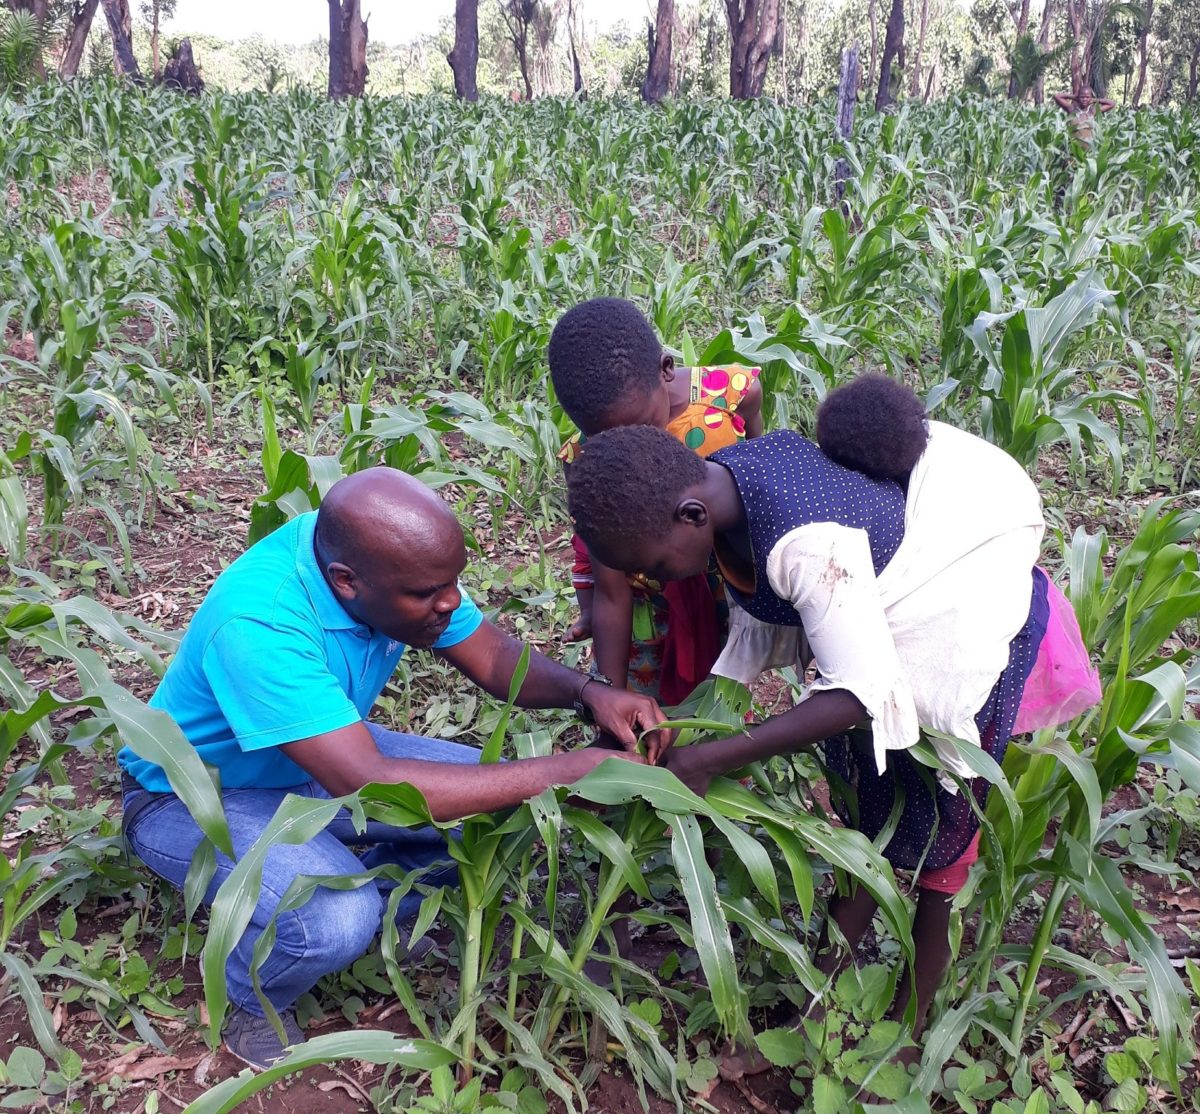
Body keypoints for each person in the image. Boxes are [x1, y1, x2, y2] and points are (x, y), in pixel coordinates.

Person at [564, 375, 1053, 1059]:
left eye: (654, 565)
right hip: (886, 597)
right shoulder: (725, 477)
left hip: (957, 593)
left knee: (935, 852)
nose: (659, 581)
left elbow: (858, 694)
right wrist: (697, 713)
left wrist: (713, 755)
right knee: (862, 819)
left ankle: (909, 1036)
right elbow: (762, 629)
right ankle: (819, 996)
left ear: (690, 517)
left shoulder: (805, 542)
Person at [118, 467, 668, 1070]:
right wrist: (566, 770)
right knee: (331, 919)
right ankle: (254, 998)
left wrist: (589, 693)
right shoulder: (262, 624)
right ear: (346, 583)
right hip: (199, 794)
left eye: (453, 581)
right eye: (431, 593)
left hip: (319, 747)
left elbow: (490, 656)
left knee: (496, 816)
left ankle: (368, 891)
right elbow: (367, 783)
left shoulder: (384, 563)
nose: (451, 602)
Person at [550, 297, 763, 704]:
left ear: (665, 370)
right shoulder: (584, 460)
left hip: (729, 586)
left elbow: (758, 480)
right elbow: (611, 587)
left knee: (725, 695)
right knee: (643, 700)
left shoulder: (732, 398)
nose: (633, 449)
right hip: (648, 600)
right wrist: (608, 698)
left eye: (645, 425)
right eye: (607, 440)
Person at [1053, 86, 1116, 150]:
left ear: (1091, 98)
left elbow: (1112, 104)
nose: (1084, 99)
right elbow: (1057, 96)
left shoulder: (1092, 111)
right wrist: (1073, 97)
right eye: (1082, 97)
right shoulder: (1071, 109)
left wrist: (1095, 100)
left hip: (1089, 151)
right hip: (1073, 151)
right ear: (1078, 97)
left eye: (1087, 97)